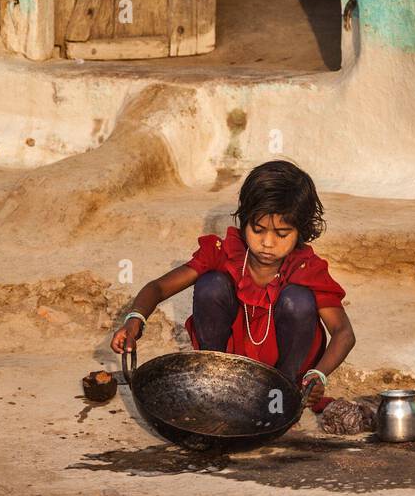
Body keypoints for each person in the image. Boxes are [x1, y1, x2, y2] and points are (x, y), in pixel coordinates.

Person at [110, 159, 355, 401]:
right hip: (231, 361)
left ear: (300, 231)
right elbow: (159, 287)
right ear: (245, 219)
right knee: (211, 284)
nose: (268, 243)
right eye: (258, 230)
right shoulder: (224, 252)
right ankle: (214, 377)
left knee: (298, 300)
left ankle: (286, 391)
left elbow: (343, 332)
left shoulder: (305, 267)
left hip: (287, 370)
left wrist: (318, 375)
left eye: (282, 234)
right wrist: (135, 320)